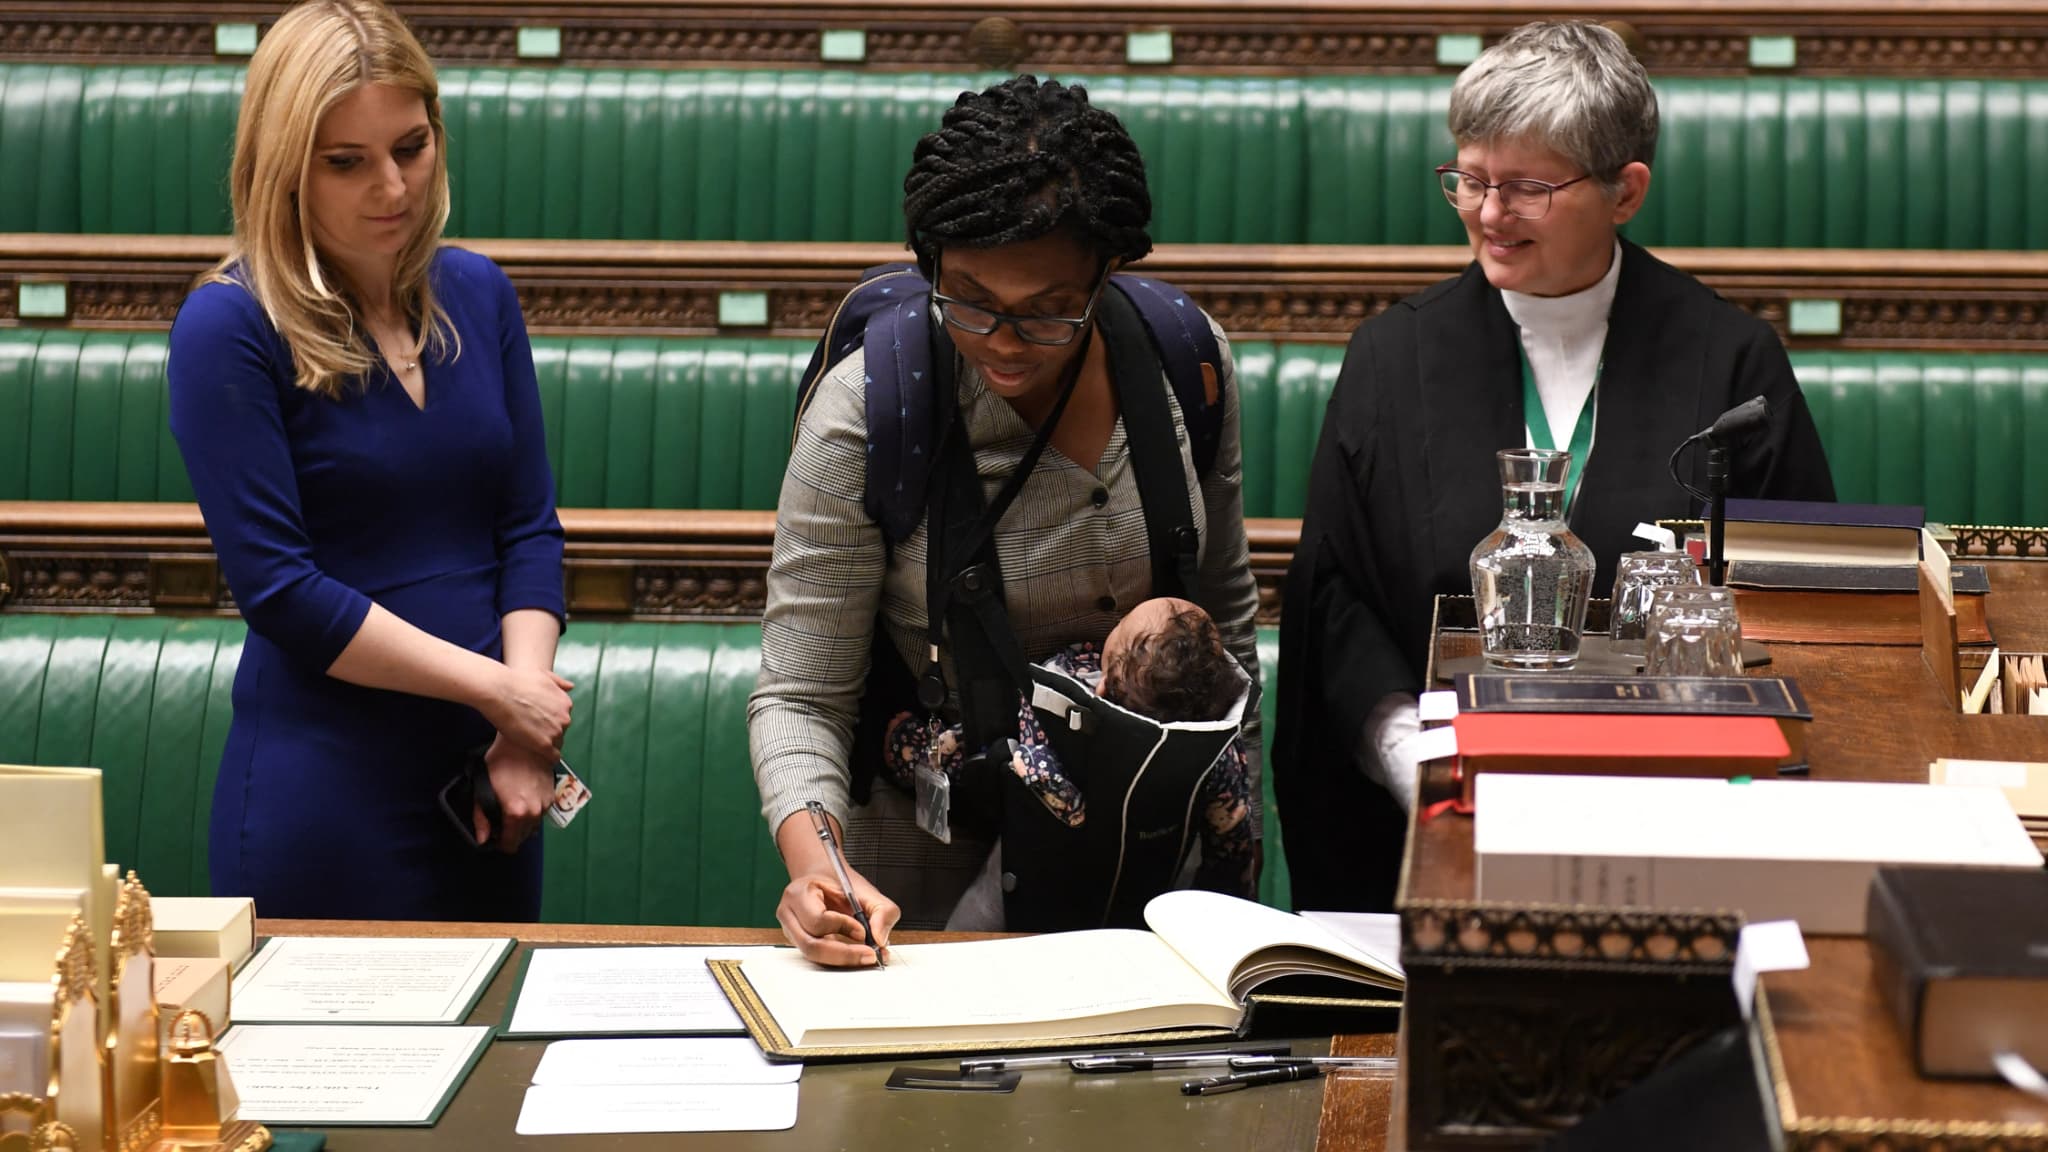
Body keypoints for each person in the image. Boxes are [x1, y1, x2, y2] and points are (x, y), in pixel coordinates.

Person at [1274, 21, 1836, 914]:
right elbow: (1335, 597)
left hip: (1677, 825)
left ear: (1625, 191)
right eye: (1470, 178)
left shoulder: (1730, 362)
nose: (1489, 214)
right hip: (1442, 819)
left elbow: (1798, 606)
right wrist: (1413, 768)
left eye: (1528, 187)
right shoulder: (1391, 358)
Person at [750, 75, 1265, 966]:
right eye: (969, 297)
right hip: (919, 876)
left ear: (1107, 272)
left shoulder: (1187, 364)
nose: (1003, 340)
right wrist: (817, 871)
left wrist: (1225, 837)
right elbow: (801, 695)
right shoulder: (865, 413)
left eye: (1050, 309)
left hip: (1141, 874)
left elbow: (1229, 627)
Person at [167, 0, 572, 921]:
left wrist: (520, 729)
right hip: (328, 794)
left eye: (412, 147)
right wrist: (505, 694)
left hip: (493, 784)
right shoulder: (229, 328)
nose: (392, 186)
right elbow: (280, 590)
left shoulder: (478, 290)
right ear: (284, 167)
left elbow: (527, 528)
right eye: (346, 161)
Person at [882, 596, 1256, 905]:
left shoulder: (1064, 700)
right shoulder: (1215, 746)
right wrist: (1233, 893)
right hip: (1155, 889)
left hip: (1034, 885)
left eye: (1121, 622)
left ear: (1103, 688)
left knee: (969, 937)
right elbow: (1233, 836)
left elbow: (1021, 763)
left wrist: (908, 744)